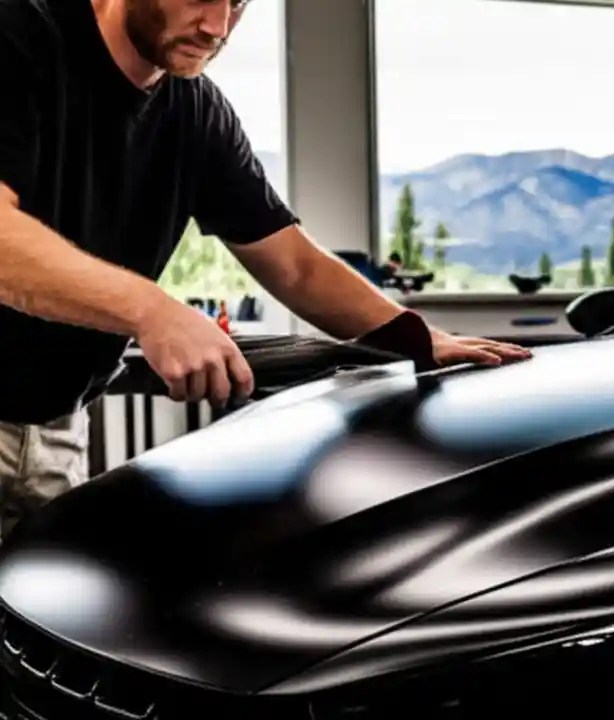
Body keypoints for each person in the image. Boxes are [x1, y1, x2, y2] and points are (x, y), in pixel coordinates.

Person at [0, 0, 532, 537]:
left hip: (57, 427)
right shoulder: (19, 36)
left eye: (238, 3)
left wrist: (417, 338)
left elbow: (294, 265)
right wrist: (153, 312)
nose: (218, 26)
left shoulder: (196, 112)